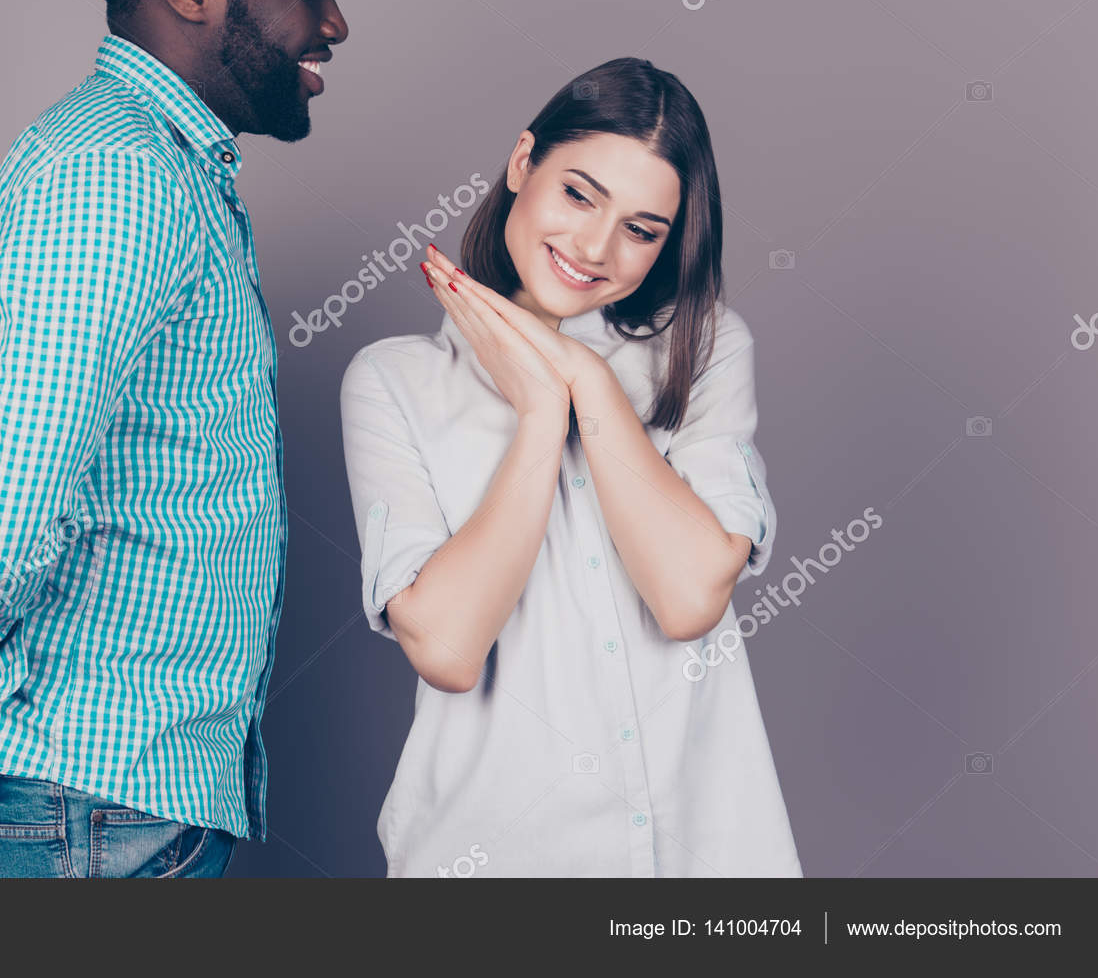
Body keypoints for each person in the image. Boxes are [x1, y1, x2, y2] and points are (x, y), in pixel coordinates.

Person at [0, 0, 348, 878]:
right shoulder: (116, 177)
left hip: (87, 800)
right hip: (79, 795)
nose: (335, 23)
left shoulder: (156, 166)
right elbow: (5, 502)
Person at [340, 58, 801, 876]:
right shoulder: (394, 381)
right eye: (579, 194)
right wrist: (541, 415)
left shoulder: (707, 352)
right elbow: (446, 648)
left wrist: (583, 378)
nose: (594, 246)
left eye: (641, 229)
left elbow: (689, 595)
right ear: (524, 163)